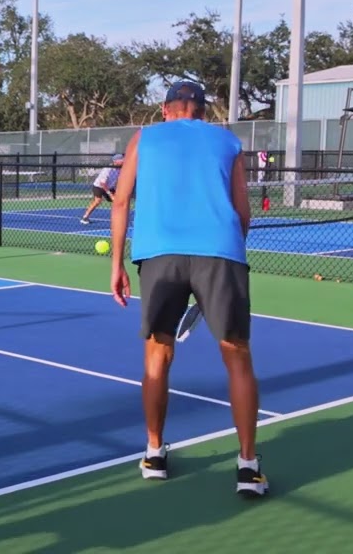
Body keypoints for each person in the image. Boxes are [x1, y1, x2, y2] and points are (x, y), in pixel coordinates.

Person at [107, 81, 267, 498]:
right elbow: (243, 211)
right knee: (238, 357)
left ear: (166, 109)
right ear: (203, 111)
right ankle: (248, 467)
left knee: (157, 355)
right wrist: (229, 252)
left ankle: (154, 454)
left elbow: (120, 202)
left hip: (159, 255)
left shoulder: (144, 137)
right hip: (221, 254)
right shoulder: (227, 141)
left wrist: (116, 264)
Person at [79, 154, 123, 224]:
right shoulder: (107, 169)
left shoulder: (120, 169)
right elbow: (103, 184)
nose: (123, 161)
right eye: (121, 160)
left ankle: (118, 218)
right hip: (99, 186)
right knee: (97, 201)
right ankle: (85, 217)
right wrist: (110, 194)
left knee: (117, 200)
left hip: (110, 187)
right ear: (115, 161)